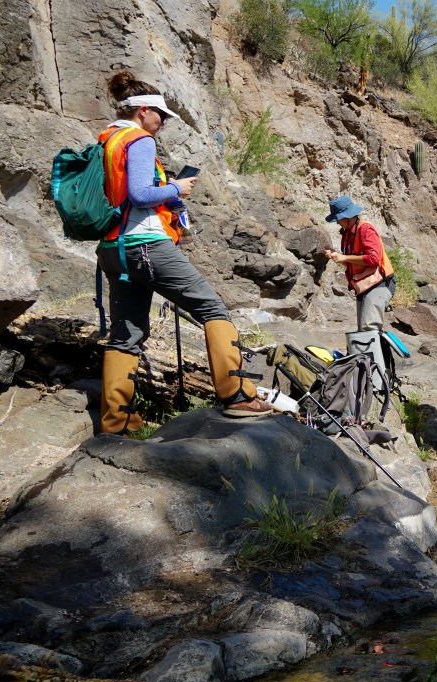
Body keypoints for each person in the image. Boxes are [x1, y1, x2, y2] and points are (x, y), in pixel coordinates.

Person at [96, 71, 271, 434]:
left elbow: (121, 195)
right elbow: (141, 195)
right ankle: (237, 394)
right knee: (211, 307)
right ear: (143, 111)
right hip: (145, 245)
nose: (162, 124)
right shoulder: (139, 139)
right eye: (160, 116)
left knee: (125, 334)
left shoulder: (108, 139)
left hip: (114, 249)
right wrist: (177, 186)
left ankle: (117, 421)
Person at [323, 196, 395, 331]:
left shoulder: (365, 229)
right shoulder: (348, 233)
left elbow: (373, 258)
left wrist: (344, 257)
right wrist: (337, 256)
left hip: (380, 283)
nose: (337, 223)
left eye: (338, 219)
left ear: (348, 216)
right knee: (363, 331)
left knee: (368, 329)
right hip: (364, 286)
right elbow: (353, 264)